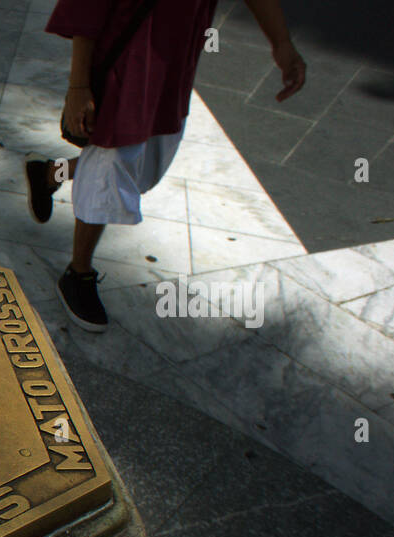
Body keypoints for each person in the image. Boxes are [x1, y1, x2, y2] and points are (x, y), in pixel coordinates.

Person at [25, 0, 306, 332]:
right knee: (113, 166)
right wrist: (78, 86)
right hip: (129, 55)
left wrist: (282, 43)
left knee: (141, 165)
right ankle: (78, 273)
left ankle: (48, 174)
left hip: (175, 62)